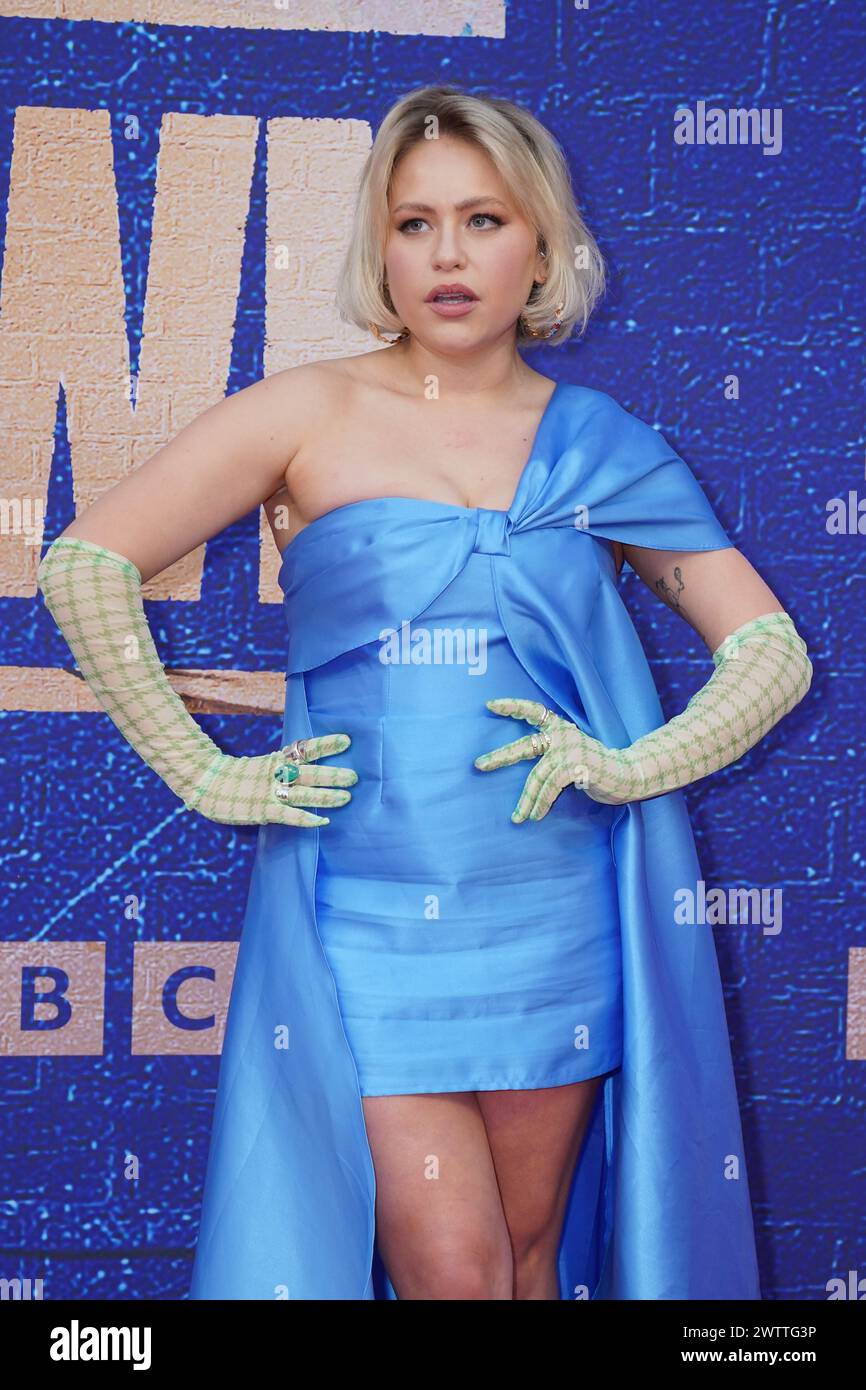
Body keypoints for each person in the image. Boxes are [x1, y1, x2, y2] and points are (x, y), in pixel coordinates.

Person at [36, 85, 811, 1301]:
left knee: (525, 1264)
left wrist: (626, 766)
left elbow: (768, 652)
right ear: (377, 248)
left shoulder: (601, 444)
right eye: (413, 224)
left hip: (556, 910)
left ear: (541, 248)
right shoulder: (307, 409)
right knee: (455, 1271)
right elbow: (85, 564)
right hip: (364, 911)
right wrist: (201, 768)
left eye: (483, 220)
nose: (447, 255)